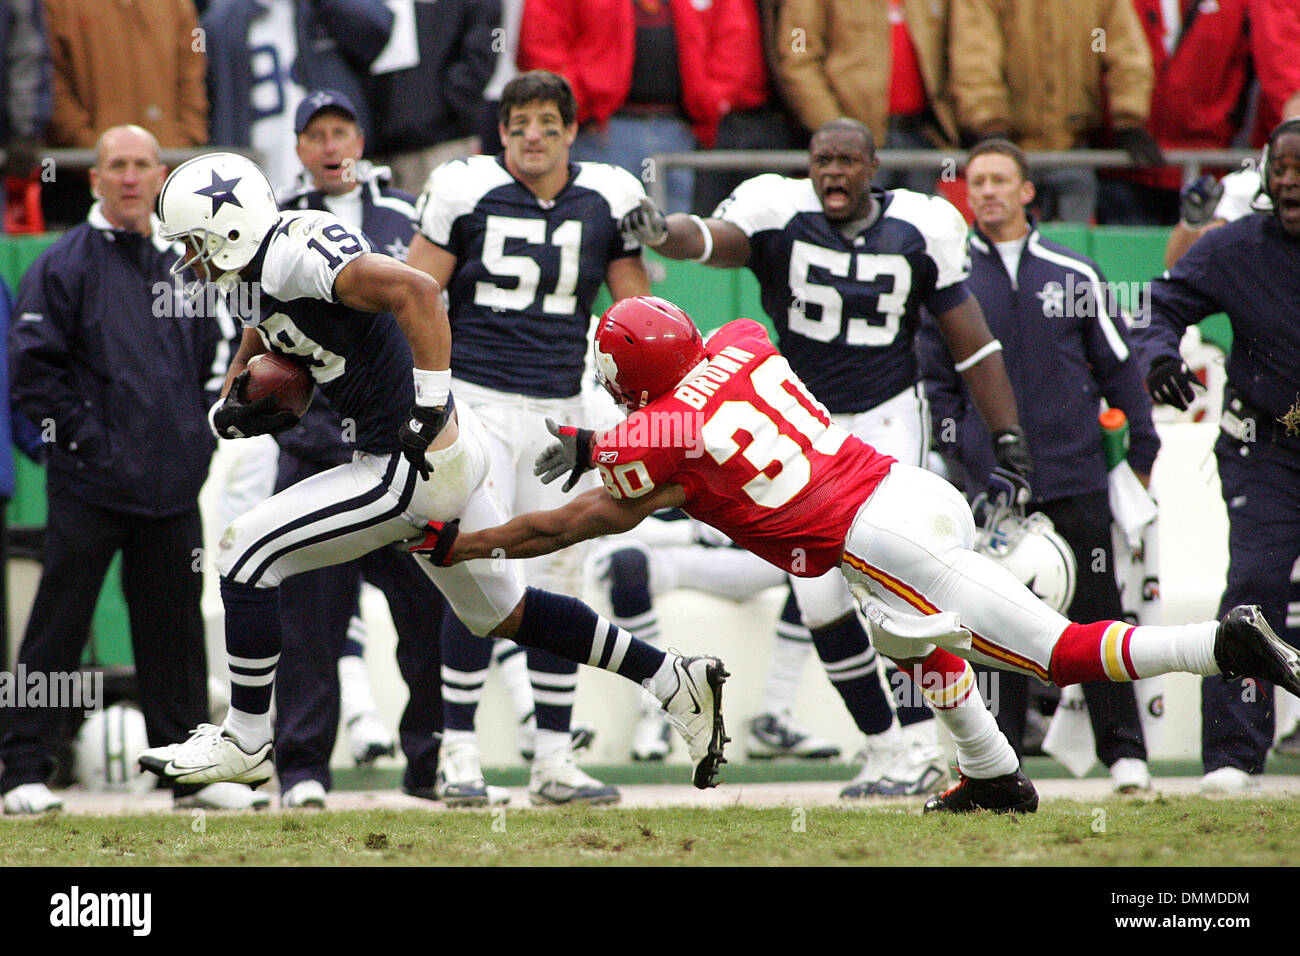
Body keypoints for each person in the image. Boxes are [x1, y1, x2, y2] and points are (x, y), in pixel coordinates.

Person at [424, 293, 1300, 813]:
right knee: (909, 641)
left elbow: (579, 519)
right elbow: (689, 448)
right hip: (911, 489)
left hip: (869, 534)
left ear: (629, 375)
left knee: (1054, 652)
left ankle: (1223, 645)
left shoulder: (653, 432)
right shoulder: (739, 340)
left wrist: (474, 540)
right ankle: (993, 775)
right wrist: (596, 447)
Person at [134, 151, 730, 799]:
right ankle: (674, 677)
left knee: (243, 551)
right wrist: (232, 403)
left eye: (194, 241)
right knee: (505, 612)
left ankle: (247, 739)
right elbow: (269, 328)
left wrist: (425, 402)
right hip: (443, 443)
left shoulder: (294, 252)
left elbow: (417, 291)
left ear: (229, 228)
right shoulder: (261, 267)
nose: (188, 258)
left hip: (411, 457)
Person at [619, 116, 1032, 798]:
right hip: (802, 424)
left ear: (873, 167)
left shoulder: (921, 227)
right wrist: (666, 232)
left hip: (887, 416)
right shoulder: (778, 209)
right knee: (817, 599)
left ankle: (952, 749)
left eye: (847, 161)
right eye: (822, 160)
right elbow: (717, 242)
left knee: (895, 588)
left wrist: (1008, 436)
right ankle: (887, 752)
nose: (833, 172)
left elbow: (973, 343)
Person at [1, 125, 266, 814]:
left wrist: (196, 441)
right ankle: (21, 773)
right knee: (56, 629)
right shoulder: (62, 264)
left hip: (173, 488)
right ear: (94, 179)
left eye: (141, 165)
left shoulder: (189, 266)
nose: (128, 177)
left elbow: (220, 364)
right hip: (89, 486)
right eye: (115, 165)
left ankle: (189, 778)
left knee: (176, 633)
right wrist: (92, 444)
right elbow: (31, 373)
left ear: (159, 178)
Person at [404, 70, 648, 806]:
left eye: (547, 122)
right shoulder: (466, 189)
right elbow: (414, 292)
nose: (532, 135)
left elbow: (637, 304)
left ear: (572, 130)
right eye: (518, 123)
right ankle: (459, 754)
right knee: (477, 574)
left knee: (556, 580)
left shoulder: (608, 197)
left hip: (557, 408)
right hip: (474, 403)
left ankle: (553, 761)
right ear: (500, 132)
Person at [918, 139, 1158, 792]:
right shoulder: (947, 282)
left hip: (1075, 476)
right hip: (992, 487)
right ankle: (1003, 764)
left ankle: (1125, 754)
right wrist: (963, 454)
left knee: (1097, 613)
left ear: (1028, 192)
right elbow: (935, 382)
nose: (987, 191)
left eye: (1001, 180)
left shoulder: (1074, 274)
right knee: (992, 620)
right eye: (977, 182)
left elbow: (1121, 370)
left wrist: (1142, 452)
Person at [269, 89, 442, 808]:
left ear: (361, 140)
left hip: (400, 445)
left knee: (426, 616)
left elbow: (437, 305)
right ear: (301, 148)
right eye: (317, 134)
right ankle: (303, 770)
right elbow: (259, 330)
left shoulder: (409, 213)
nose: (331, 145)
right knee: (308, 624)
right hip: (314, 447)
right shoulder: (273, 224)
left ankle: (429, 763)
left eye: (342, 130)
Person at [1134, 118, 1300, 793]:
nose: (1291, 181)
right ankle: (1233, 757)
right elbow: (1159, 303)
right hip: (1264, 448)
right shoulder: (1235, 247)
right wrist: (1158, 358)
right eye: (1281, 168)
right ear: (1264, 175)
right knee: (1254, 590)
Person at [587, 512, 839, 762]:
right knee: (626, 564)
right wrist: (691, 532)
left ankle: (773, 719)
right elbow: (604, 516)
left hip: (725, 549)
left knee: (814, 565)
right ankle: (653, 711)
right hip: (655, 550)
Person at [517, 0, 768, 214]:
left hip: (679, 131)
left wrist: (708, 100)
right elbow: (542, 47)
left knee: (673, 244)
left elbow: (735, 41)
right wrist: (582, 105)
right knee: (599, 235)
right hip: (600, 133)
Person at [948, 0, 1162, 223]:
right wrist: (990, 124)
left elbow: (1127, 53)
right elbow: (976, 58)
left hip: (1072, 147)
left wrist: (1129, 119)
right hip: (1009, 148)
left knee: (1070, 244)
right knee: (1004, 239)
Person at [773, 0, 956, 194]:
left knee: (927, 219)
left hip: (923, 136)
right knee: (856, 220)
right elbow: (799, 58)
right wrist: (839, 132)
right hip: (853, 143)